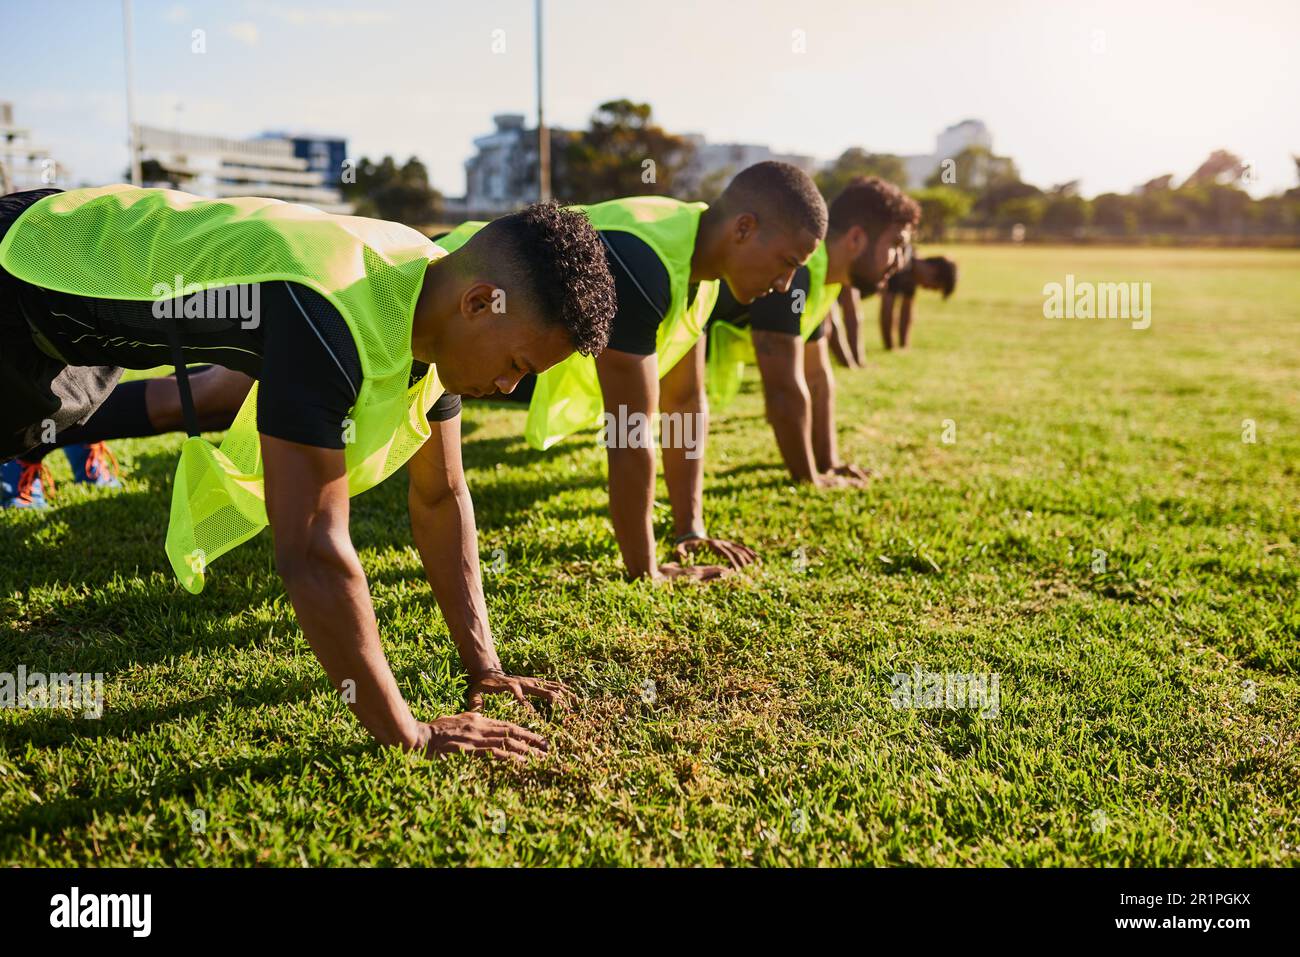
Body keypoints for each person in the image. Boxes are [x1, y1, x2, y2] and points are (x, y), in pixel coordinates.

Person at [0, 183, 617, 761]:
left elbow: (442, 494)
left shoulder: (435, 303)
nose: (508, 386)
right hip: (25, 266)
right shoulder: (331, 312)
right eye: (515, 364)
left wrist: (484, 666)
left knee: (54, 416)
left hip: (66, 329)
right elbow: (312, 550)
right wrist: (412, 733)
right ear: (480, 302)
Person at [436, 161, 827, 582]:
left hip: (506, 357)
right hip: (447, 298)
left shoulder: (702, 270)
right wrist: (647, 571)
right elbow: (629, 430)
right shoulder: (644, 261)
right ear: (743, 228)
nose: (787, 284)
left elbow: (684, 404)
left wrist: (689, 529)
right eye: (787, 262)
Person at [704, 176, 920, 484]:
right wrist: (809, 479)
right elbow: (782, 390)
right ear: (856, 239)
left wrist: (829, 463)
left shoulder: (826, 276)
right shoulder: (797, 271)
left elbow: (817, 376)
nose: (899, 262)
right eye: (896, 245)